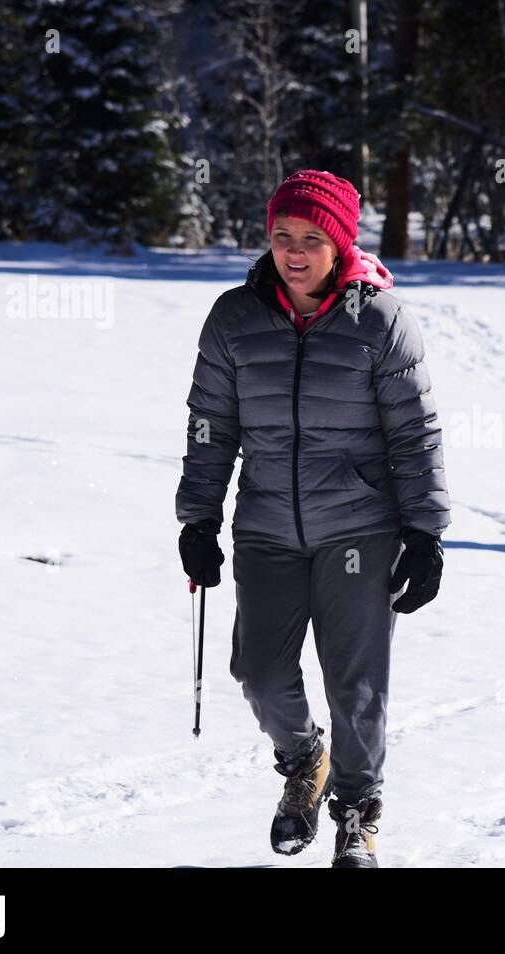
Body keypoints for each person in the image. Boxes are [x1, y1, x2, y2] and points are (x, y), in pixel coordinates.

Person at [174, 170, 451, 867]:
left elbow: (415, 435)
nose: (293, 252)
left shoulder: (381, 324)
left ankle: (356, 813)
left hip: (361, 528)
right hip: (266, 525)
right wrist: (198, 520)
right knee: (258, 673)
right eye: (281, 236)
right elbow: (210, 425)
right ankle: (304, 762)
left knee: (355, 684)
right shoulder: (234, 319)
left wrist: (424, 535)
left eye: (310, 238)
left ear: (340, 243)